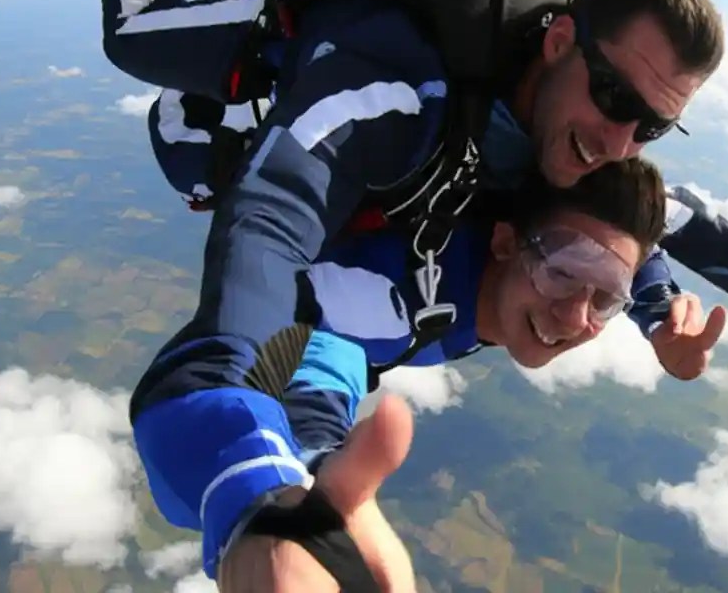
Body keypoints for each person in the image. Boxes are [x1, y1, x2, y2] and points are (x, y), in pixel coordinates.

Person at [94, 0, 728, 587]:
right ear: (560, 40)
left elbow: (694, 242)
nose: (618, 142)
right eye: (613, 99)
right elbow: (274, 224)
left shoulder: (588, 159)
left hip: (380, 209)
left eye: (650, 128)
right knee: (135, 35)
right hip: (225, 118)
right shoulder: (390, 86)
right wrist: (258, 493)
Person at [133, 156, 671, 590]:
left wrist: (659, 308)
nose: (576, 316)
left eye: (605, 301)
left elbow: (656, 237)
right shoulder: (388, 293)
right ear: (505, 242)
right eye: (564, 275)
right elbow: (222, 374)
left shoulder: (493, 286)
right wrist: (279, 489)